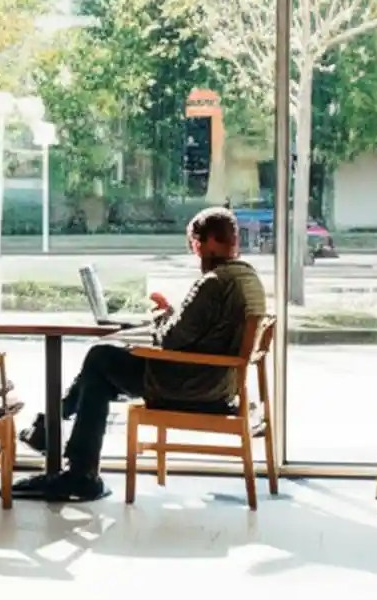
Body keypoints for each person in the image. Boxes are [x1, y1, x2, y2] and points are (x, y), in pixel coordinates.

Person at [16, 206, 266, 501]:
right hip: (216, 383)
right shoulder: (248, 278)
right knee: (100, 377)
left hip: (190, 384)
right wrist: (174, 314)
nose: (195, 252)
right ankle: (76, 468)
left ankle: (63, 448)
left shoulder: (214, 282)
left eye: (195, 244)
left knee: (100, 358)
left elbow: (171, 339)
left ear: (208, 241)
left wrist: (161, 316)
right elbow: (200, 330)